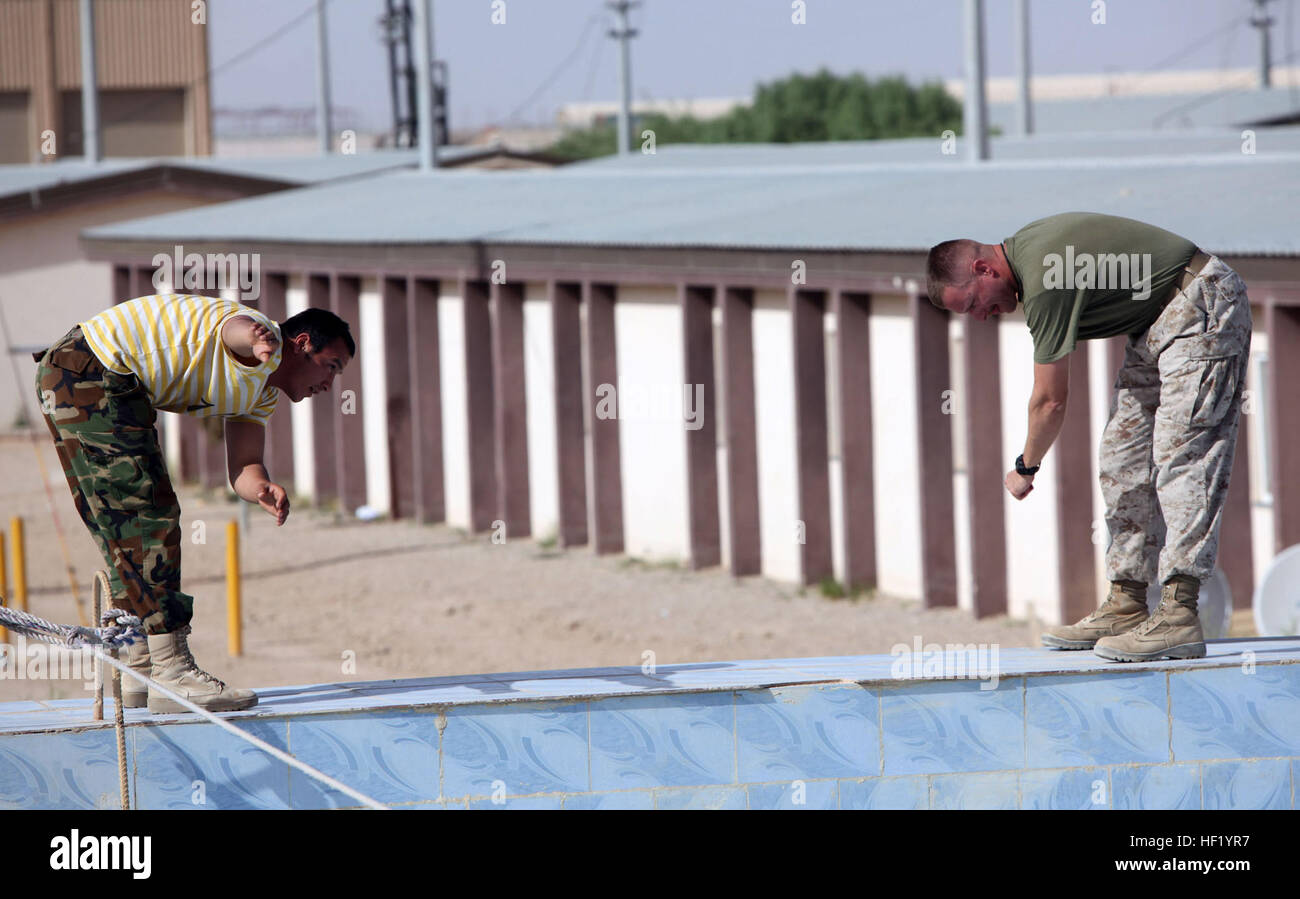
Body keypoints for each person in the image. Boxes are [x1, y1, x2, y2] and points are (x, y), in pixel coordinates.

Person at [926, 211, 1251, 662]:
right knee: (1123, 458)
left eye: (972, 304)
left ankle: (1179, 612)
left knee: (1184, 457)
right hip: (1155, 324)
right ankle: (1127, 601)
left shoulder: (1041, 278)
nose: (980, 317)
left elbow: (1050, 400)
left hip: (1200, 304)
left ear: (984, 270)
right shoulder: (1026, 259)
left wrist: (1026, 466)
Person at [32, 293, 354, 712]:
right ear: (302, 342)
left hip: (72, 371)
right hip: (93, 368)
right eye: (331, 367)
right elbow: (233, 331)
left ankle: (138, 665)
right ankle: (172, 668)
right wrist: (257, 341)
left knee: (121, 525)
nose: (329, 385)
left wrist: (261, 487)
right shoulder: (265, 340)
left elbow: (244, 464)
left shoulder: (263, 394)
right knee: (151, 516)